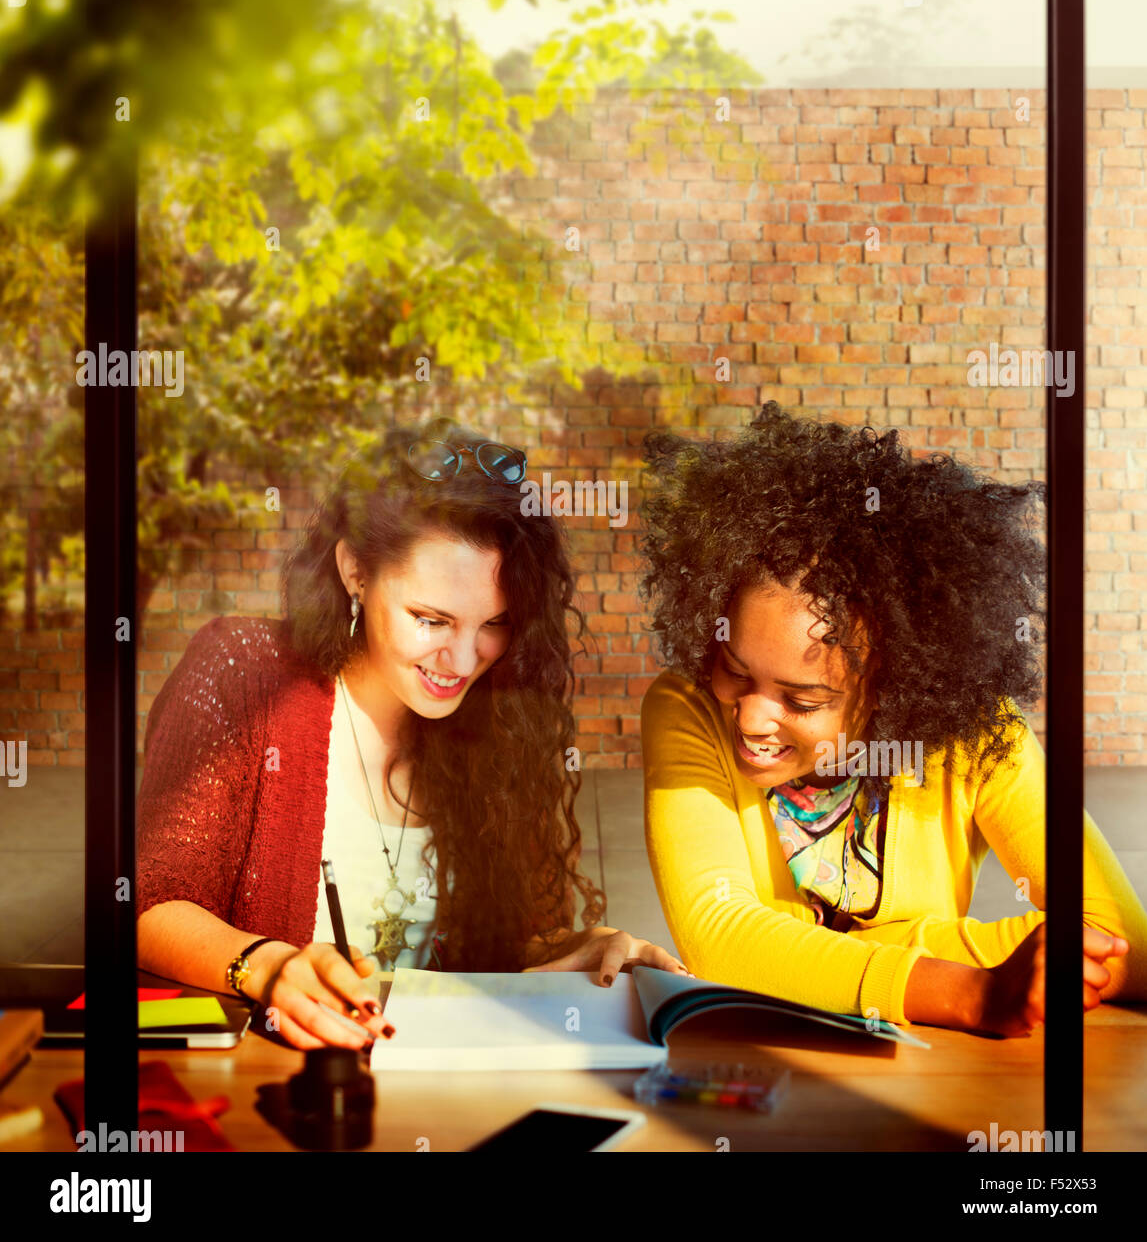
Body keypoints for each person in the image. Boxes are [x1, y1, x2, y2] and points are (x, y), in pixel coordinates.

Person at [137, 419, 685, 1050]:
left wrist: (571, 950)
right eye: (431, 619)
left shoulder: (504, 722)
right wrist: (270, 966)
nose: (462, 660)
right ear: (354, 572)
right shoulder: (242, 672)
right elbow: (150, 901)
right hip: (284, 1085)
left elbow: (507, 945)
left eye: (494, 624)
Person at [639, 401, 1147, 1037]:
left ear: (891, 685)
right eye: (736, 670)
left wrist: (805, 954)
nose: (750, 719)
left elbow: (1117, 940)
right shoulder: (686, 709)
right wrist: (969, 990)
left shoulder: (978, 735)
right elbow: (723, 940)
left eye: (801, 701)